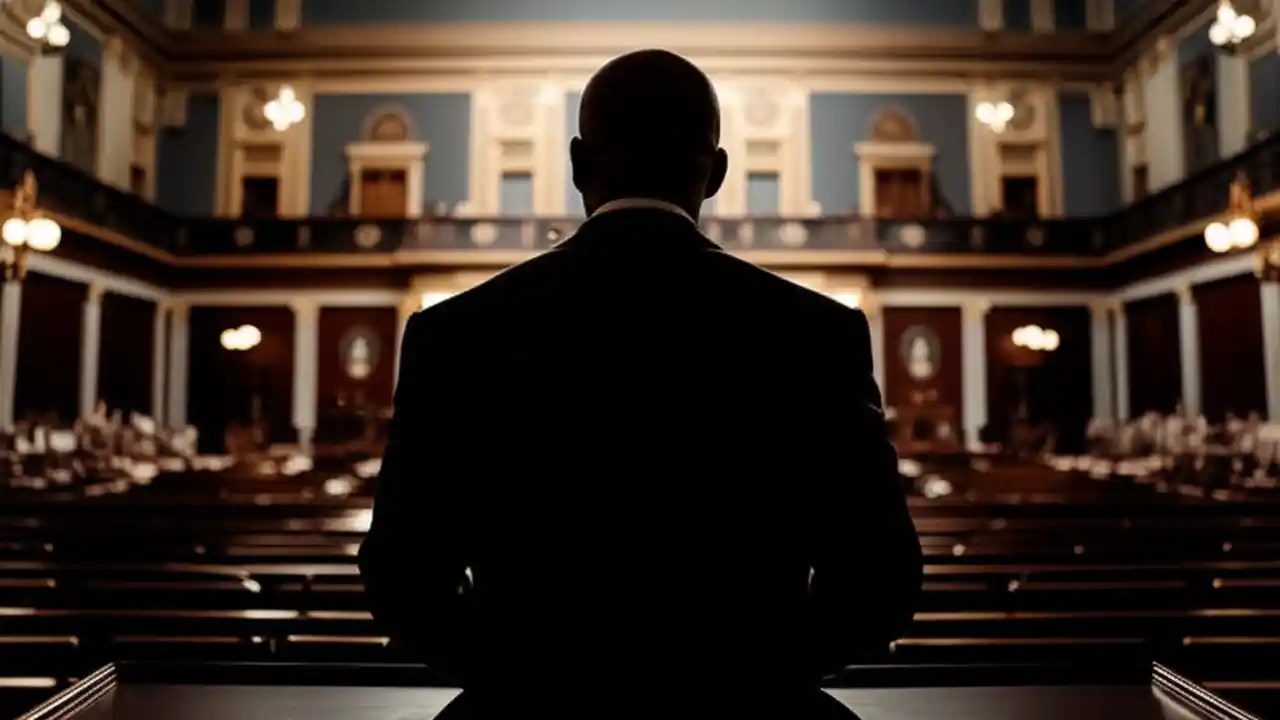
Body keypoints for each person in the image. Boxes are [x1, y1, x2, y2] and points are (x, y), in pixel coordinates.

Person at [359, 49, 923, 719]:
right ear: (715, 173)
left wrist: (527, 676)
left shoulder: (455, 334)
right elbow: (881, 581)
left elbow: (400, 581)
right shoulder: (818, 333)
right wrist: (753, 672)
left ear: (576, 164)